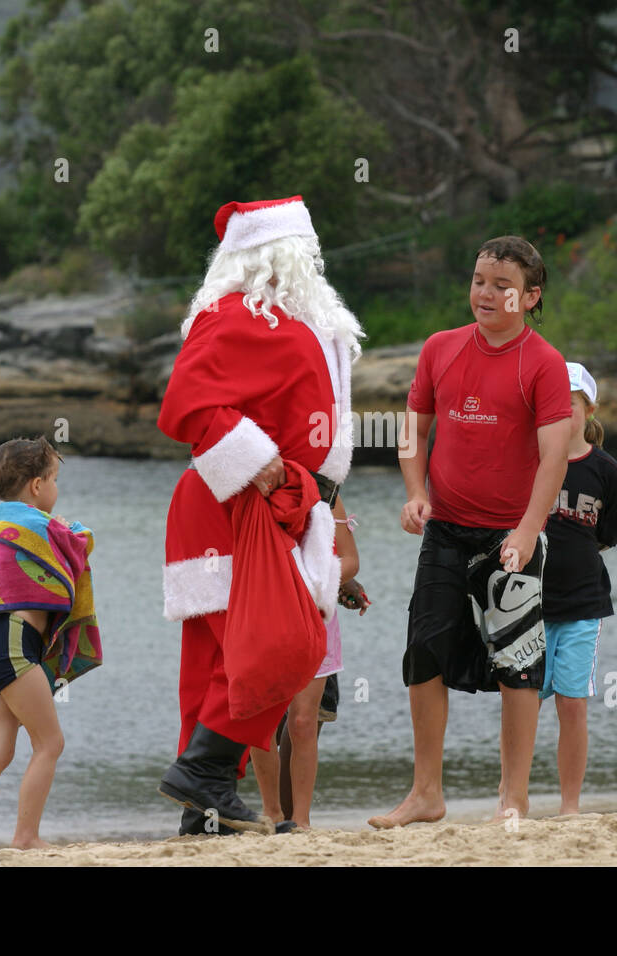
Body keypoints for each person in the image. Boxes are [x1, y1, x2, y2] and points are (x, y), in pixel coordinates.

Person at [157, 196, 363, 835]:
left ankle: (203, 810)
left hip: (265, 505)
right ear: (281, 252)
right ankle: (205, 773)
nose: (312, 262)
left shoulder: (284, 316)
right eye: (305, 251)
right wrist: (256, 458)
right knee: (279, 645)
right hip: (237, 505)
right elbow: (186, 406)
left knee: (222, 658)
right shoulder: (243, 315)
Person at [369, 236, 571, 829]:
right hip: (446, 532)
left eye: (502, 285)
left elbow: (555, 457)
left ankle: (513, 798)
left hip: (512, 535)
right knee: (423, 652)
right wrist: (415, 493)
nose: (486, 293)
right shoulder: (441, 348)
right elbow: (414, 431)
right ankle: (426, 793)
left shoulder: (544, 363)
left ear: (531, 297)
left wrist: (530, 530)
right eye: (480, 279)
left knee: (517, 664)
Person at [0, 436, 103, 851]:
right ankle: (26, 837)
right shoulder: (33, 525)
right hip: (13, 643)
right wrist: (77, 529)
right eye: (54, 479)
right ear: (37, 486)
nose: (58, 489)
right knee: (50, 743)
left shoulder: (2, 527)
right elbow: (79, 541)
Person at [538, 363, 617, 815]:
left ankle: (569, 805)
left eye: (569, 404)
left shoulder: (606, 471)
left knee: (572, 705)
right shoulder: (529, 458)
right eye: (552, 403)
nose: (560, 411)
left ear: (588, 409)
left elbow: (607, 536)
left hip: (581, 606)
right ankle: (510, 797)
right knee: (521, 705)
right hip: (526, 607)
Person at [250, 495, 368, 832]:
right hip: (262, 611)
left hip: (314, 615)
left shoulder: (327, 493)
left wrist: (320, 581)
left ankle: (300, 820)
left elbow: (349, 558)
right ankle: (271, 813)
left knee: (303, 722)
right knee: (260, 721)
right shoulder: (256, 488)